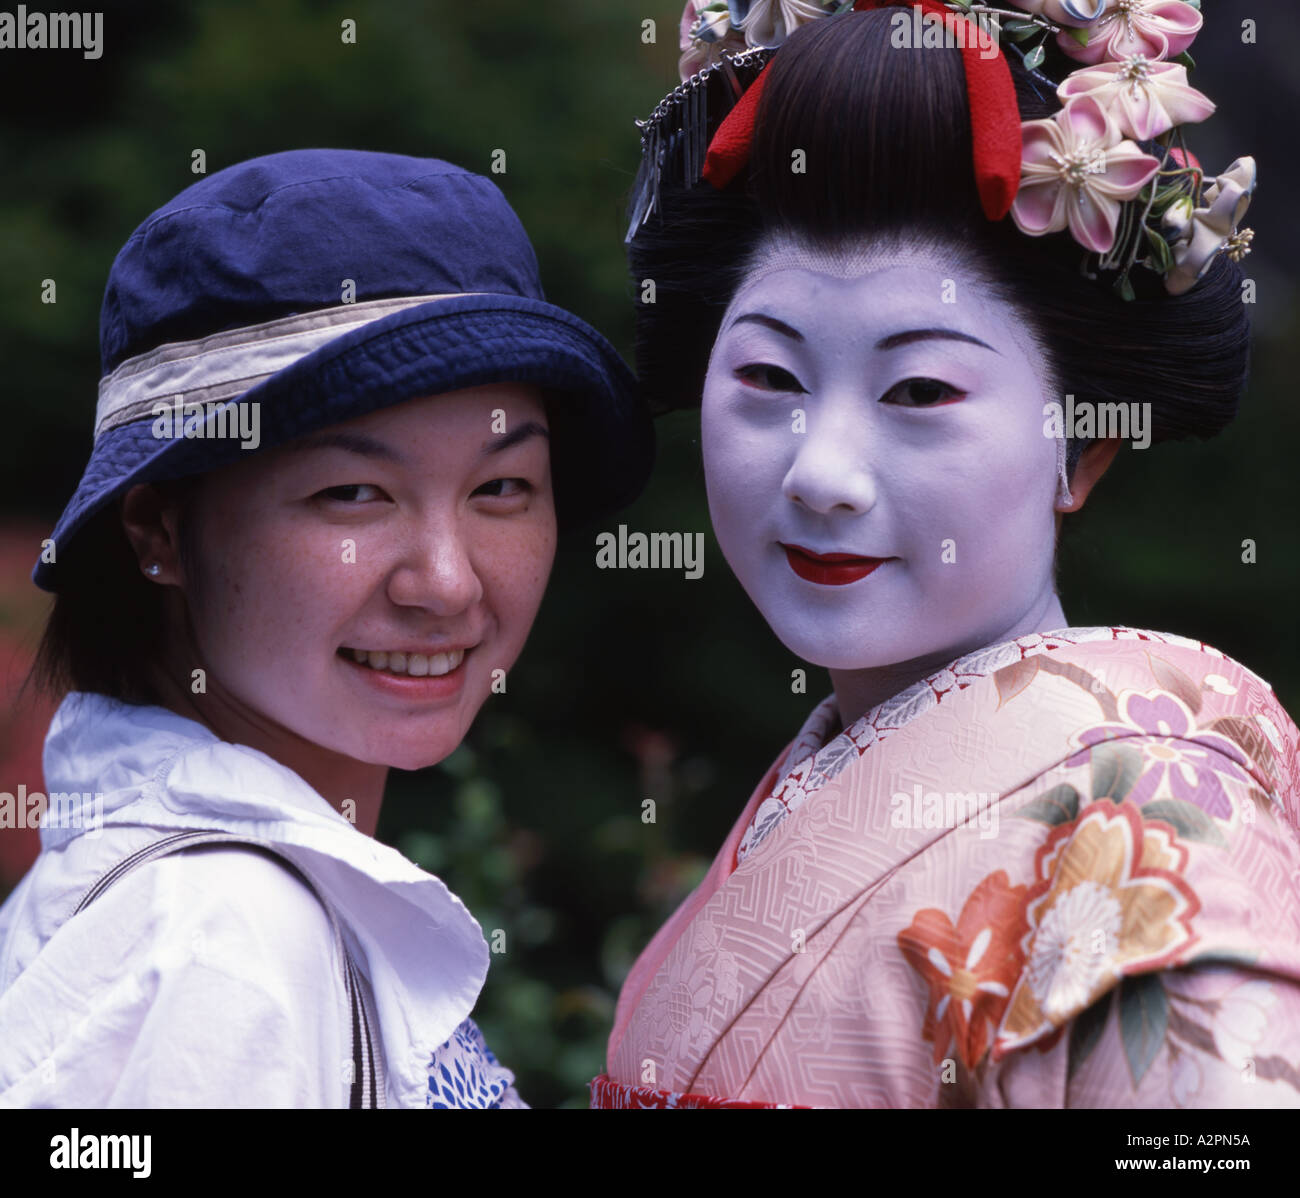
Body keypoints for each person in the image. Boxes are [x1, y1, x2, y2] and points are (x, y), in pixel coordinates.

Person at [592, 0, 1300, 1108]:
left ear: (1084, 449)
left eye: (920, 390)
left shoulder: (1161, 850)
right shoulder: (828, 768)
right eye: (768, 379)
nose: (820, 472)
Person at [0, 148, 653, 1107]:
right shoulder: (225, 938)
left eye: (502, 487)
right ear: (161, 529)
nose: (445, 580)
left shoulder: (239, 901)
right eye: (352, 493)